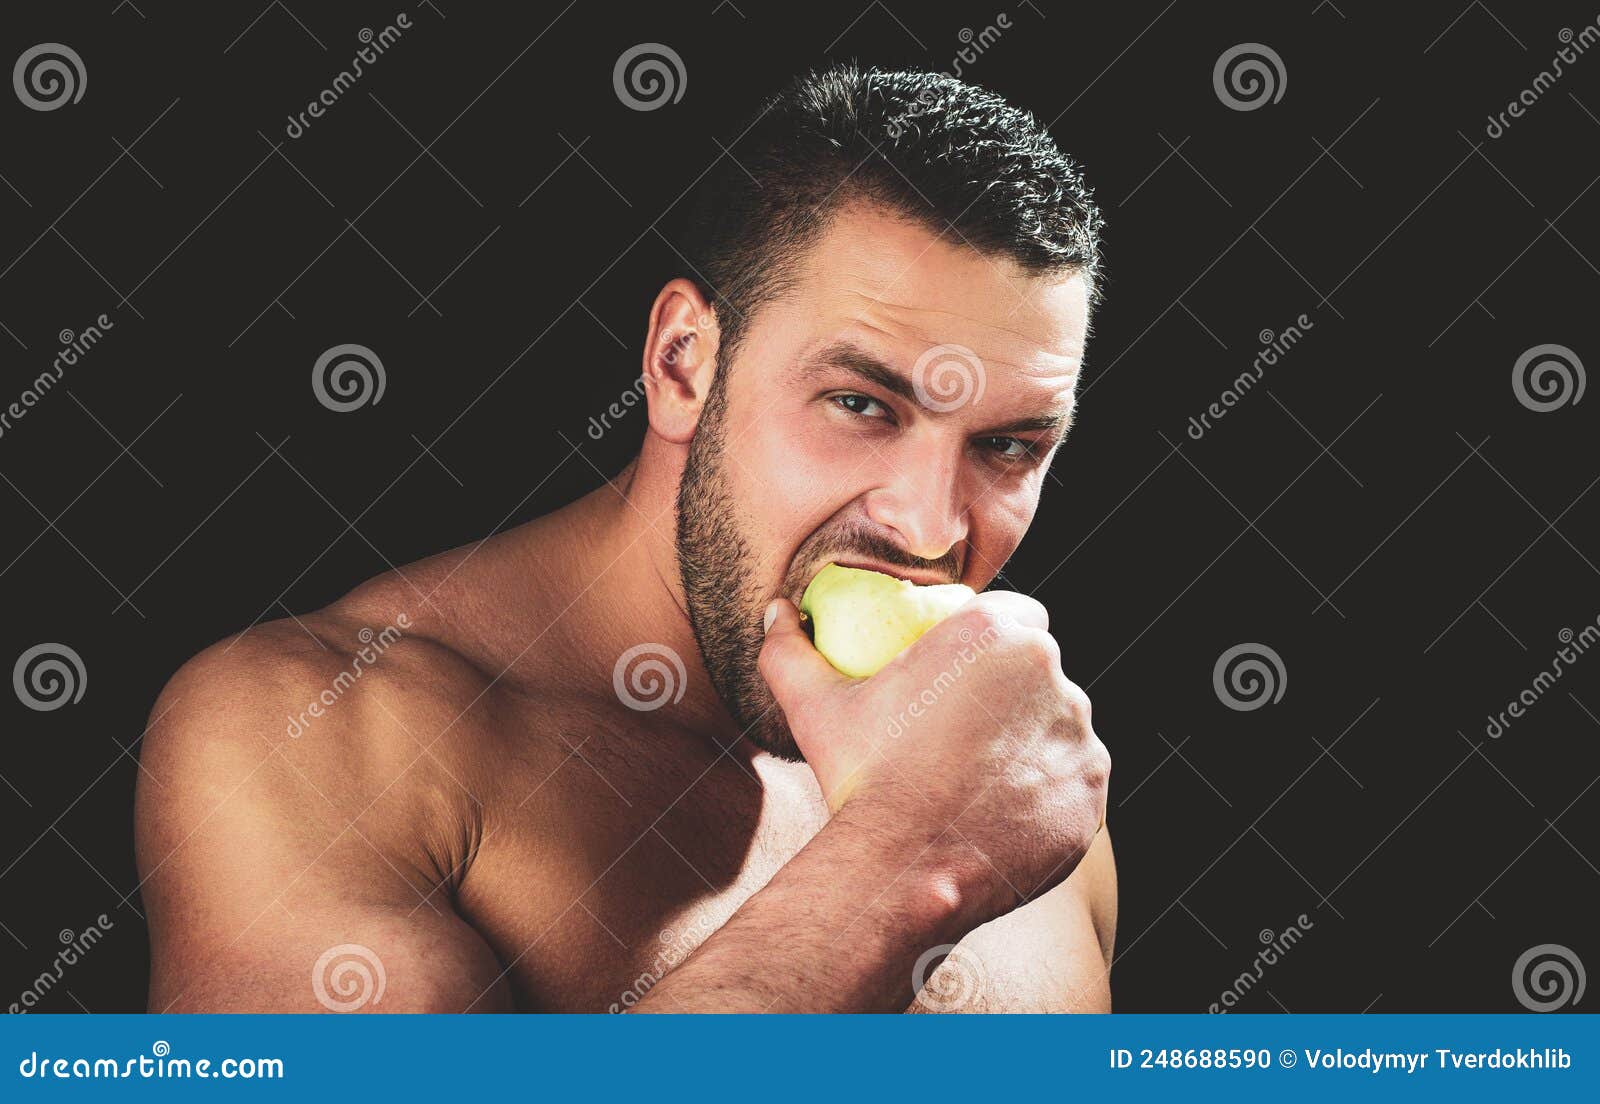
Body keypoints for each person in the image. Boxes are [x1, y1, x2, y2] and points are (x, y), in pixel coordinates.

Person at [136, 63, 1114, 1013]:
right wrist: (910, 857)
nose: (930, 527)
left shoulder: (1026, 775)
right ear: (682, 364)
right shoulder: (326, 729)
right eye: (861, 404)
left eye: (1007, 447)